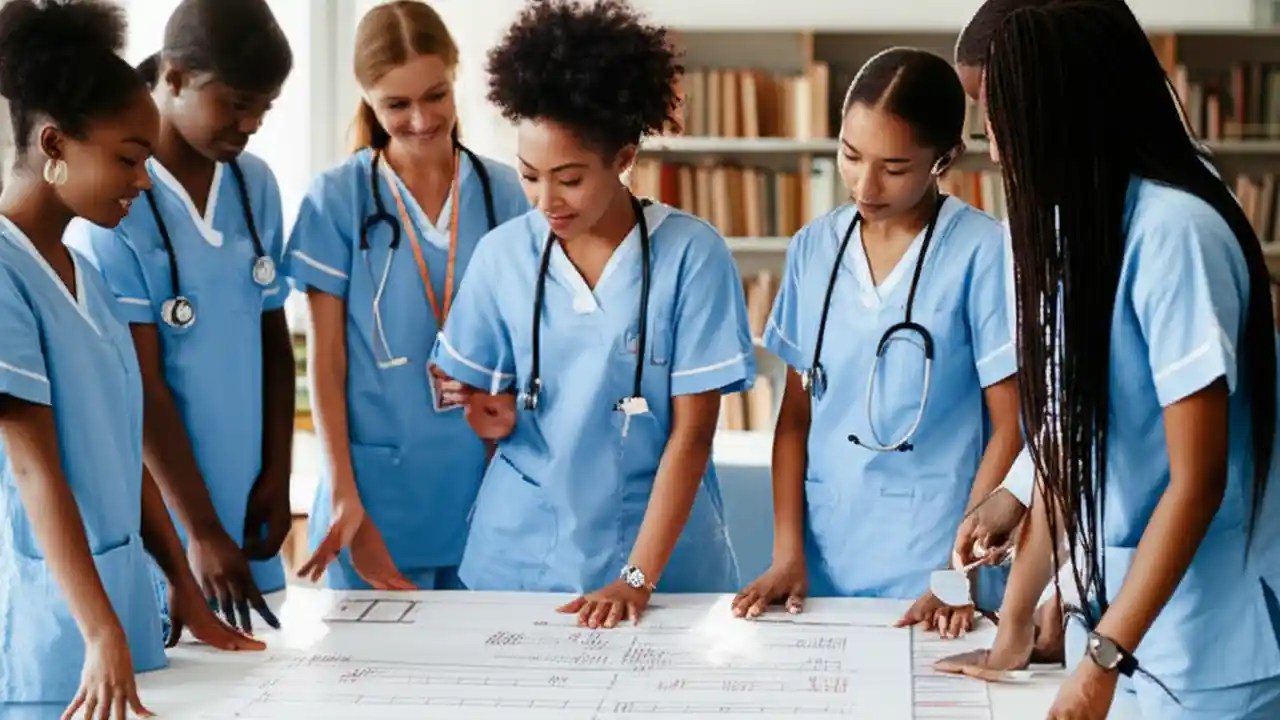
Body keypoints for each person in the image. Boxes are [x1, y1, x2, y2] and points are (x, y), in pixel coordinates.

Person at [938, 2, 1280, 718]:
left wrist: (1102, 661)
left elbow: (1199, 480)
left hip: (1206, 655)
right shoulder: (1076, 226)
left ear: (1065, 100)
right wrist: (1013, 625)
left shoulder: (1175, 232)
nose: (991, 145)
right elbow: (1070, 438)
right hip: (1123, 640)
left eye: (996, 113)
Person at [429, 0, 753, 627]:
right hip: (521, 560)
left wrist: (636, 577)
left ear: (624, 157)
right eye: (529, 175)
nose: (546, 199)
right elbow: (455, 380)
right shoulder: (504, 255)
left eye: (569, 179)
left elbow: (693, 433)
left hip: (660, 572)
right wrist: (476, 406)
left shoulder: (691, 255)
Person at [0, 1, 264, 717]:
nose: (143, 181)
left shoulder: (85, 272)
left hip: (116, 623)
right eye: (128, 157)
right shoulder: (3, 271)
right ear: (53, 144)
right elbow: (33, 467)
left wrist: (179, 581)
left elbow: (124, 448)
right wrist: (96, 629)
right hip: (52, 632)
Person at [728, 47, 1021, 639]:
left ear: (945, 159)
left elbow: (1011, 426)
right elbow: (794, 420)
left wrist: (954, 575)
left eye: (894, 166)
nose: (865, 184)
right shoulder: (815, 249)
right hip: (825, 557)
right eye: (850, 155)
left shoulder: (983, 251)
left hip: (937, 565)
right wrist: (788, 553)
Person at [64, 0, 295, 635]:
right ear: (172, 79)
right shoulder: (116, 205)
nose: (250, 123)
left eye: (265, 108)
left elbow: (273, 337)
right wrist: (201, 529)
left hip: (248, 511)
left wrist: (278, 473)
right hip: (176, 524)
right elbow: (142, 388)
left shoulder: (256, 186)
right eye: (236, 102)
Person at [282, 0, 529, 591]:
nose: (421, 119)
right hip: (374, 499)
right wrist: (340, 486)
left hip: (485, 485)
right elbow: (328, 358)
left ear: (455, 75)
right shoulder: (338, 199)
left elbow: (529, 340)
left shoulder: (505, 195)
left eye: (436, 95)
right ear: (367, 98)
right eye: (397, 104)